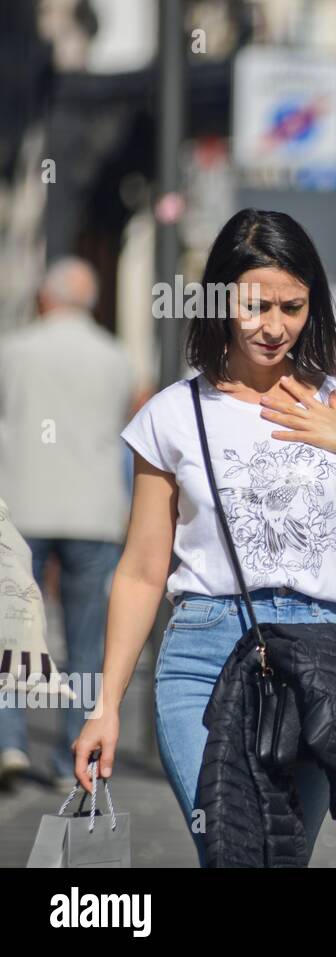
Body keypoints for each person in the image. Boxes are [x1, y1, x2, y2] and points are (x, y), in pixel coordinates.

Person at [71, 209, 336, 866]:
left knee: (277, 856)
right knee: (230, 847)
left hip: (318, 662)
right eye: (254, 304)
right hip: (202, 654)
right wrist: (105, 704)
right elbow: (142, 569)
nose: (274, 325)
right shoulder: (173, 414)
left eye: (293, 306)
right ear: (221, 298)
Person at [0, 257, 134, 790]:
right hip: (94, 513)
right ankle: (70, 757)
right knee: (85, 643)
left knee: (12, 632)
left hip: (22, 508)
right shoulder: (116, 357)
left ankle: (8, 740)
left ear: (46, 298)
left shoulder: (13, 350)